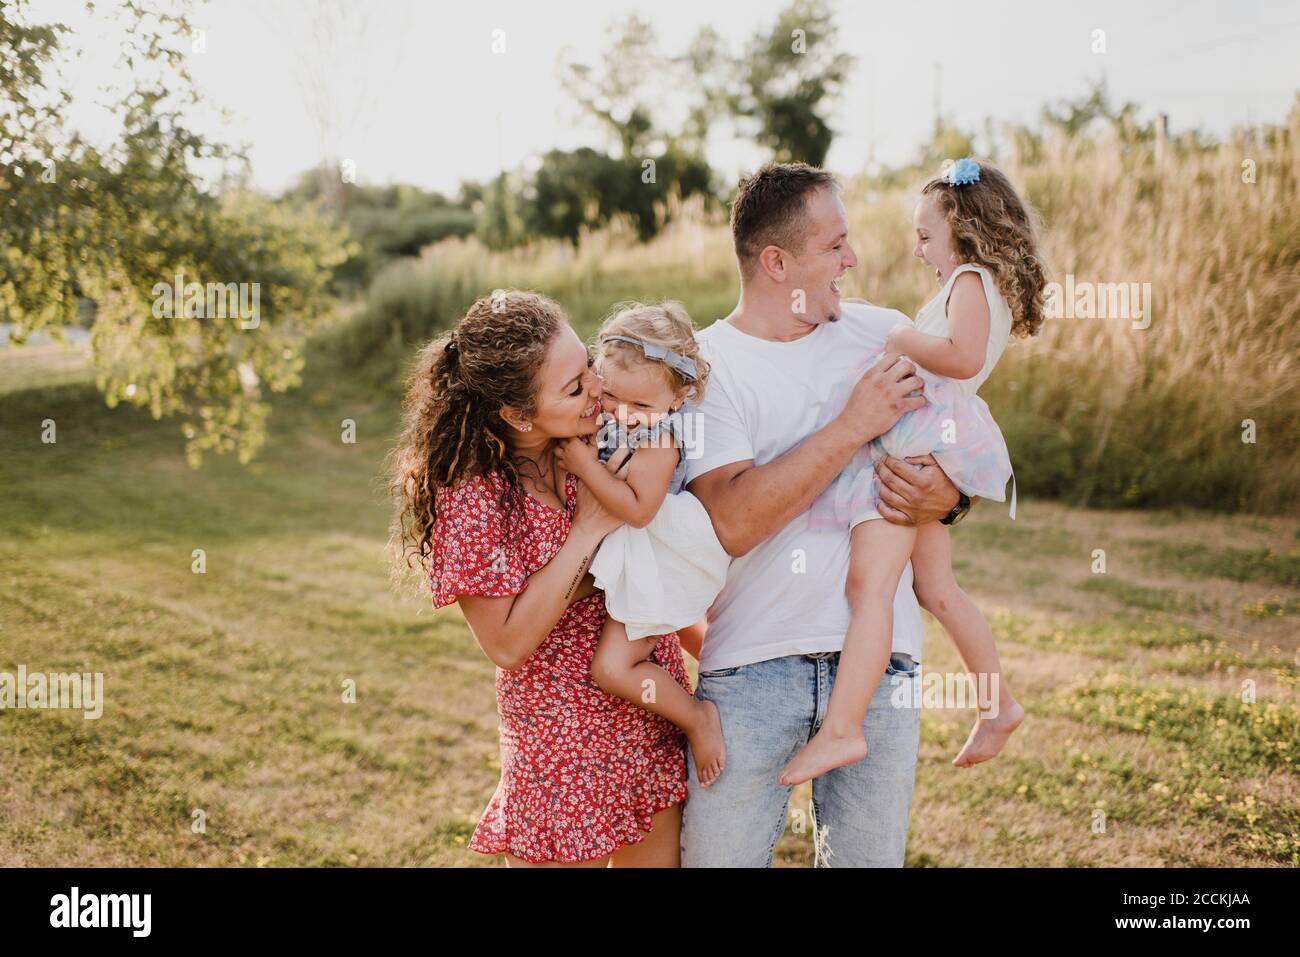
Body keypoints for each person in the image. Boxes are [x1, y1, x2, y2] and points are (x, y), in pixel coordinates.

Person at [681, 163, 963, 867]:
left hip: (882, 674)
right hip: (750, 673)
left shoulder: (886, 333)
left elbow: (955, 452)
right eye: (835, 244)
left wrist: (951, 499)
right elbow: (732, 521)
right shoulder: (707, 367)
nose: (853, 259)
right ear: (778, 263)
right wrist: (851, 425)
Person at [389, 290, 690, 867]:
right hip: (560, 746)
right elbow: (506, 642)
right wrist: (586, 533)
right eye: (575, 387)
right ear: (518, 414)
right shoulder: (476, 497)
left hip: (647, 709)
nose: (598, 391)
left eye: (589, 368)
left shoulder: (606, 438)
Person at [779, 158, 1047, 786]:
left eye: (927, 235)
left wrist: (898, 337)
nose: (919, 248)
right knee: (937, 593)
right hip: (926, 438)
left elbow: (963, 358)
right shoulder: (970, 284)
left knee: (869, 587)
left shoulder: (970, 282)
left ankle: (842, 730)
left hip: (920, 441)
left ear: (966, 228)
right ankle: (998, 704)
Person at [556, 301, 732, 787]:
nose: (625, 415)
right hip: (632, 555)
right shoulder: (627, 418)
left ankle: (698, 717)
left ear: (678, 399)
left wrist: (583, 465)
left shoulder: (662, 440)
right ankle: (724, 662)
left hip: (656, 560)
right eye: (612, 397)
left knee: (613, 667)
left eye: (642, 406)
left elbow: (638, 509)